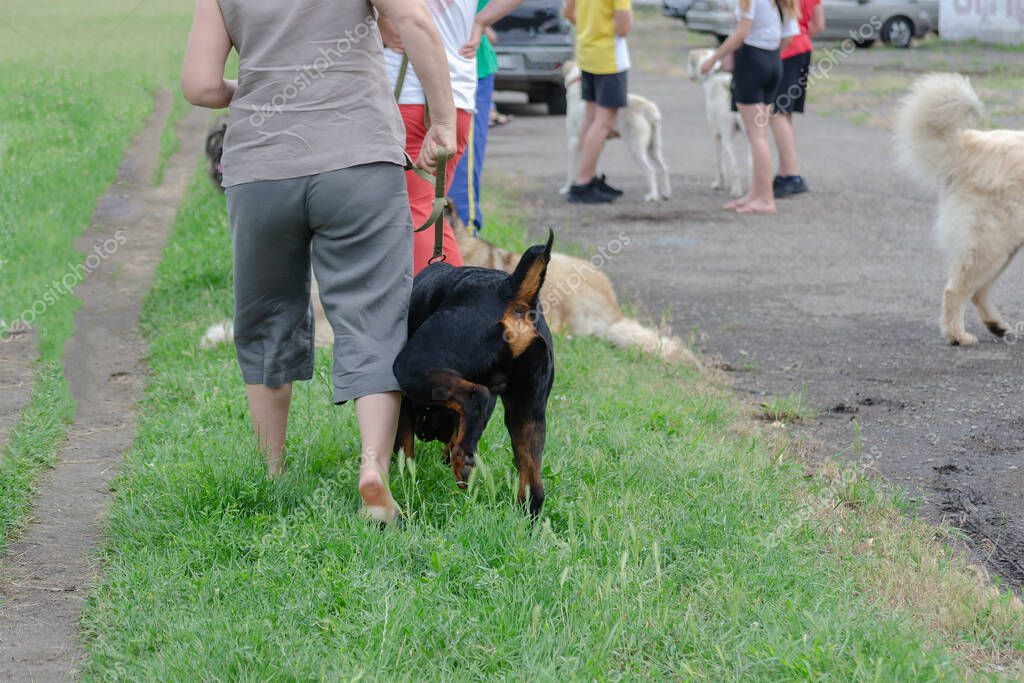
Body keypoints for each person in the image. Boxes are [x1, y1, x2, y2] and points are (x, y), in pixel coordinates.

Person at [181, 0, 457, 525]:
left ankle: (272, 471)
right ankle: (373, 466)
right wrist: (443, 121)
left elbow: (199, 85)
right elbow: (417, 22)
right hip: (358, 160)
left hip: (261, 169)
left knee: (265, 318)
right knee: (374, 316)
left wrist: (258, 94)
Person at [380, 0, 524, 273]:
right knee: (427, 212)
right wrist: (481, 21)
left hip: (409, 95)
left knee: (414, 212)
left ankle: (442, 307)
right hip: (456, 97)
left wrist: (380, 22)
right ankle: (446, 304)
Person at [702, 0, 799, 215]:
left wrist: (713, 59)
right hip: (773, 61)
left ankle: (765, 199)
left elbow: (741, 33)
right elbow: (789, 37)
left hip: (752, 61)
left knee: (756, 136)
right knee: (759, 134)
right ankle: (756, 194)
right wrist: (769, 58)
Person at [563, 0, 633, 204]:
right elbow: (623, 28)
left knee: (591, 117)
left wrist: (590, 30)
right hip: (609, 58)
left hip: (587, 53)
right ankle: (583, 183)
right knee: (604, 122)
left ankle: (585, 176)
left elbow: (568, 12)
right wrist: (604, 31)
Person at [449, 4, 500, 234]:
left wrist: (480, 22)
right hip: (419, 70)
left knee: (460, 168)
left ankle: (466, 240)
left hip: (466, 70)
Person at [770, 0, 824, 198]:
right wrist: (802, 33)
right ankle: (784, 172)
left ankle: (793, 174)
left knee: (775, 112)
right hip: (803, 49)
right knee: (785, 113)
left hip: (787, 50)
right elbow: (819, 26)